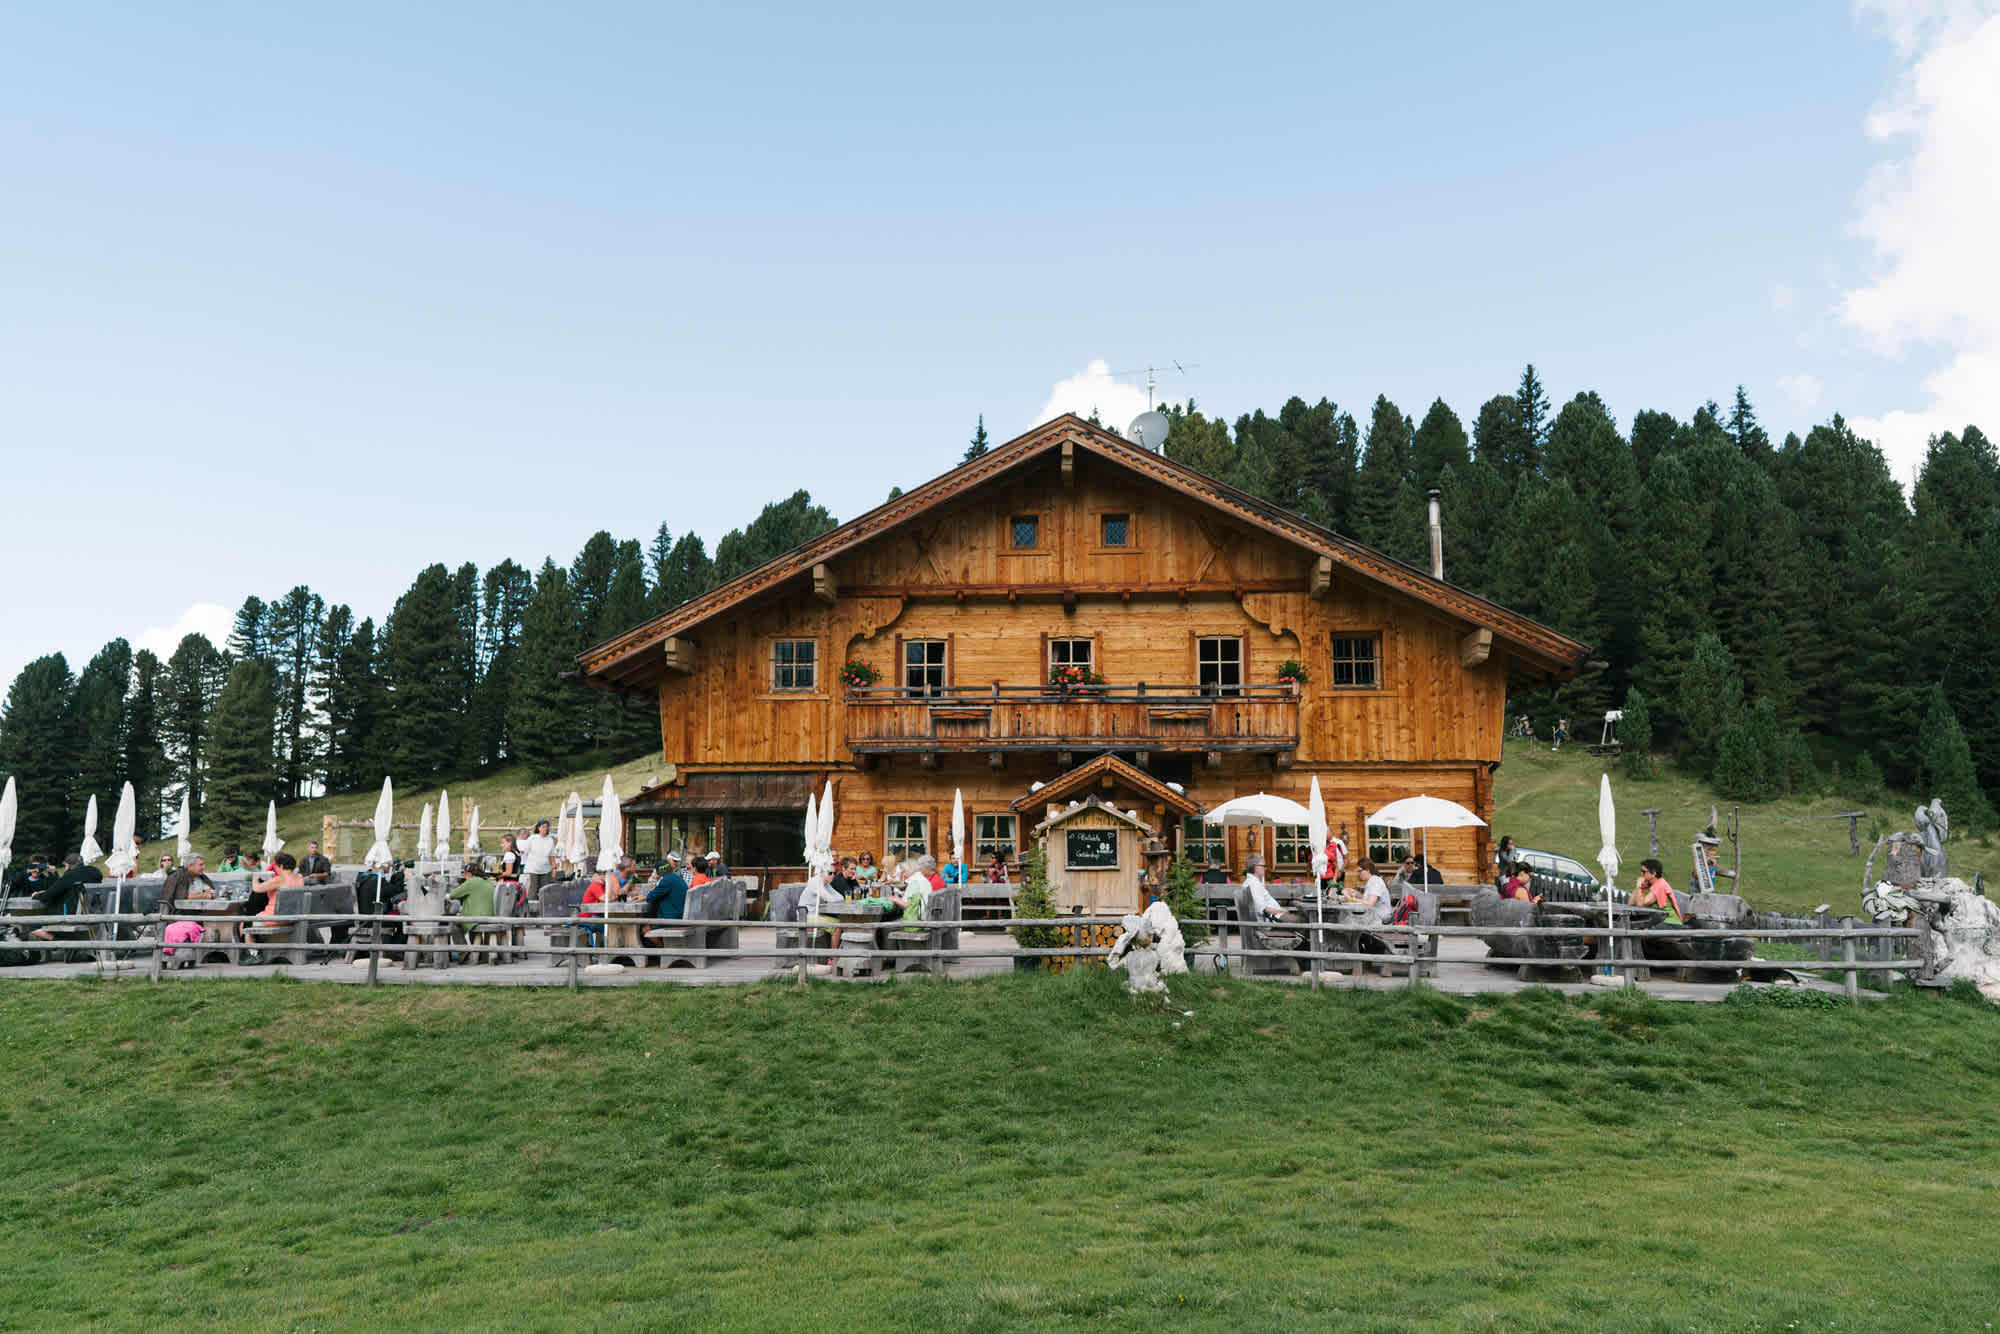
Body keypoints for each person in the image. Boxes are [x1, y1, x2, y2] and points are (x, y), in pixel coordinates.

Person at [24, 855, 102, 941]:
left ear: (68, 866)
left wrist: (36, 895)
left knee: (32, 926)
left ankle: (59, 941)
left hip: (69, 918)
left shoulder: (70, 876)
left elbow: (49, 895)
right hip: (90, 915)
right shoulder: (95, 873)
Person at [1632, 858, 1685, 924]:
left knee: (1641, 931)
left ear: (1654, 874)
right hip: (1656, 921)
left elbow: (1640, 904)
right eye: (1641, 871)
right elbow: (1631, 903)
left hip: (1670, 922)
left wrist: (1639, 886)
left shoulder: (1660, 885)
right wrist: (1639, 888)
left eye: (1644, 871)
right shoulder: (1649, 884)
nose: (1641, 874)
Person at [1243, 854, 1291, 922]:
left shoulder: (1251, 882)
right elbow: (1263, 909)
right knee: (1302, 920)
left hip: (1273, 918)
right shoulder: (1254, 884)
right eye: (1263, 866)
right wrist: (1282, 911)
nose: (1265, 868)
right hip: (1272, 921)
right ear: (1256, 867)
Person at [645, 853, 690, 921]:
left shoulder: (666, 880)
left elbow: (650, 898)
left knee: (644, 927)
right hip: (680, 915)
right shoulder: (677, 877)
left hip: (671, 919)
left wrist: (657, 879)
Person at [518, 820, 556, 897]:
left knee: (545, 892)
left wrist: (554, 869)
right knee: (533, 892)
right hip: (533, 870)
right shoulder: (532, 838)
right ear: (539, 828)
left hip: (545, 870)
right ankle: (531, 908)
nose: (545, 829)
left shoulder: (550, 840)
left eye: (547, 827)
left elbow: (552, 856)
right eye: (543, 827)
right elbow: (523, 851)